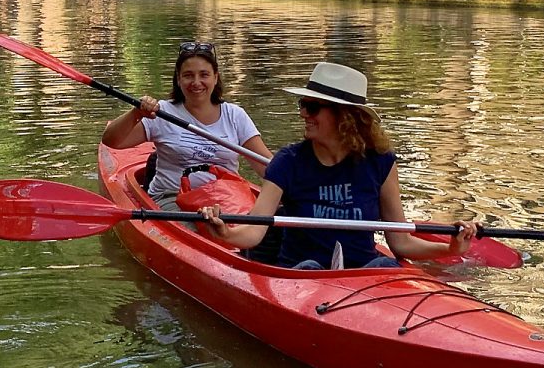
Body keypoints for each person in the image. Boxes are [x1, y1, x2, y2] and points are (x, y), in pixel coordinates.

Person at [204, 61, 477, 269]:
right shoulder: (288, 161)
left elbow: (401, 242)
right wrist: (226, 233)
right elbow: (255, 230)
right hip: (302, 276)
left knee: (385, 265)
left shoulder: (380, 163)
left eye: (312, 107)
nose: (303, 114)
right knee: (310, 267)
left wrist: (451, 249)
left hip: (363, 275)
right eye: (302, 104)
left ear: (344, 117)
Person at [101, 41, 271, 212]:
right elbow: (112, 141)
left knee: (252, 227)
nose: (196, 82)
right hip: (172, 198)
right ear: (178, 79)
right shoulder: (162, 112)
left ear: (215, 77)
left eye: (204, 75)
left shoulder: (235, 115)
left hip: (225, 198)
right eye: (188, 75)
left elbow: (267, 167)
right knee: (211, 228)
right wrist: (135, 113)